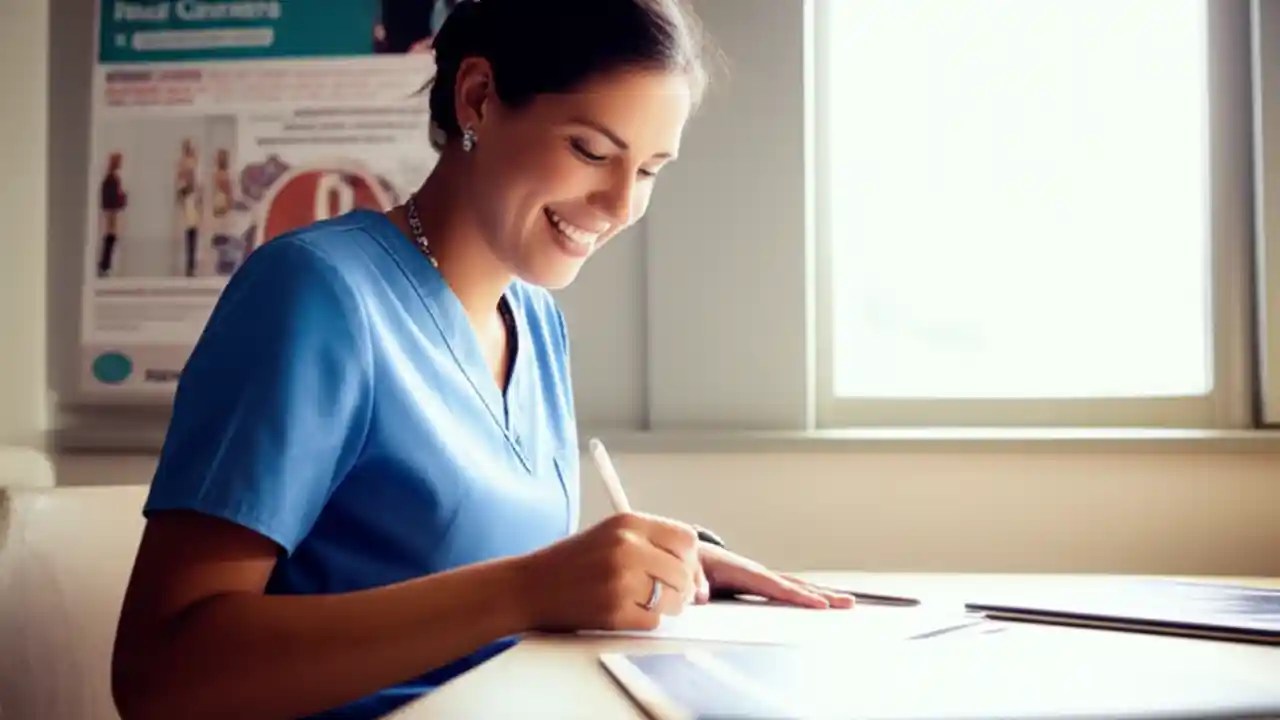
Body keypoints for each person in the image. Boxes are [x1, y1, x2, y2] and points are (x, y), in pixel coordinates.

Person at [110, 1, 855, 719]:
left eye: (652, 169)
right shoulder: (315, 295)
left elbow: (449, 561)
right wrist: (529, 589)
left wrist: (639, 566)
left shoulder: (535, 319)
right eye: (591, 150)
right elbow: (161, 678)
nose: (623, 204)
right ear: (477, 99)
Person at [97, 151, 127, 277]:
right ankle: (104, 265)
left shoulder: (111, 177)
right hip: (112, 211)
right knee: (110, 236)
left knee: (111, 237)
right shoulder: (111, 178)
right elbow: (112, 195)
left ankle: (105, 264)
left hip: (112, 211)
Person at [176, 138, 201, 276]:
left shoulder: (184, 163)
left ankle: (191, 264)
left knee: (191, 231)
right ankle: (191, 264)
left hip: (189, 198)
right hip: (190, 198)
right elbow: (190, 181)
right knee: (192, 230)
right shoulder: (188, 163)